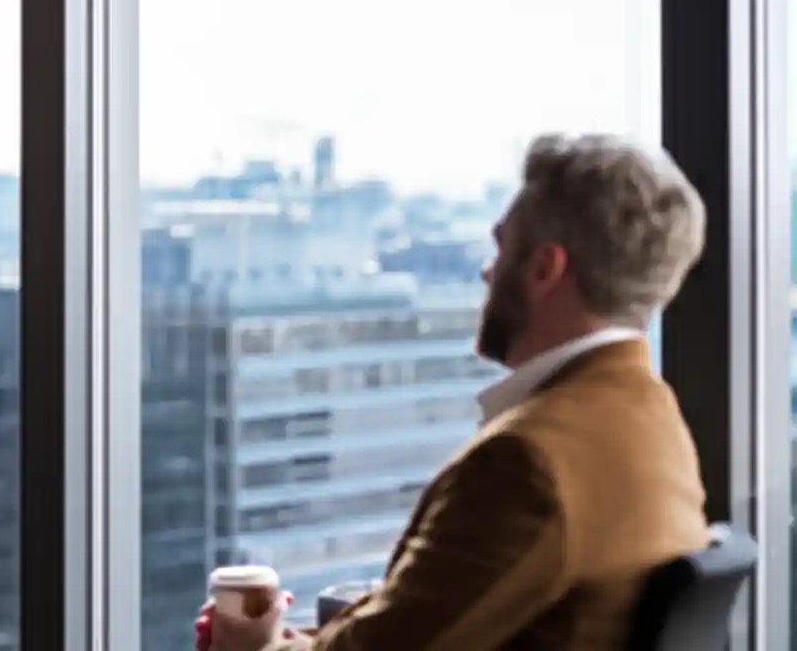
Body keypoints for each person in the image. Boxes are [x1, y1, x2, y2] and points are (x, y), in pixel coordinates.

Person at [195, 133, 710, 651]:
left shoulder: (527, 463)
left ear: (543, 269)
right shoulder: (653, 420)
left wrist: (253, 647)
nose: (487, 272)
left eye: (501, 247)